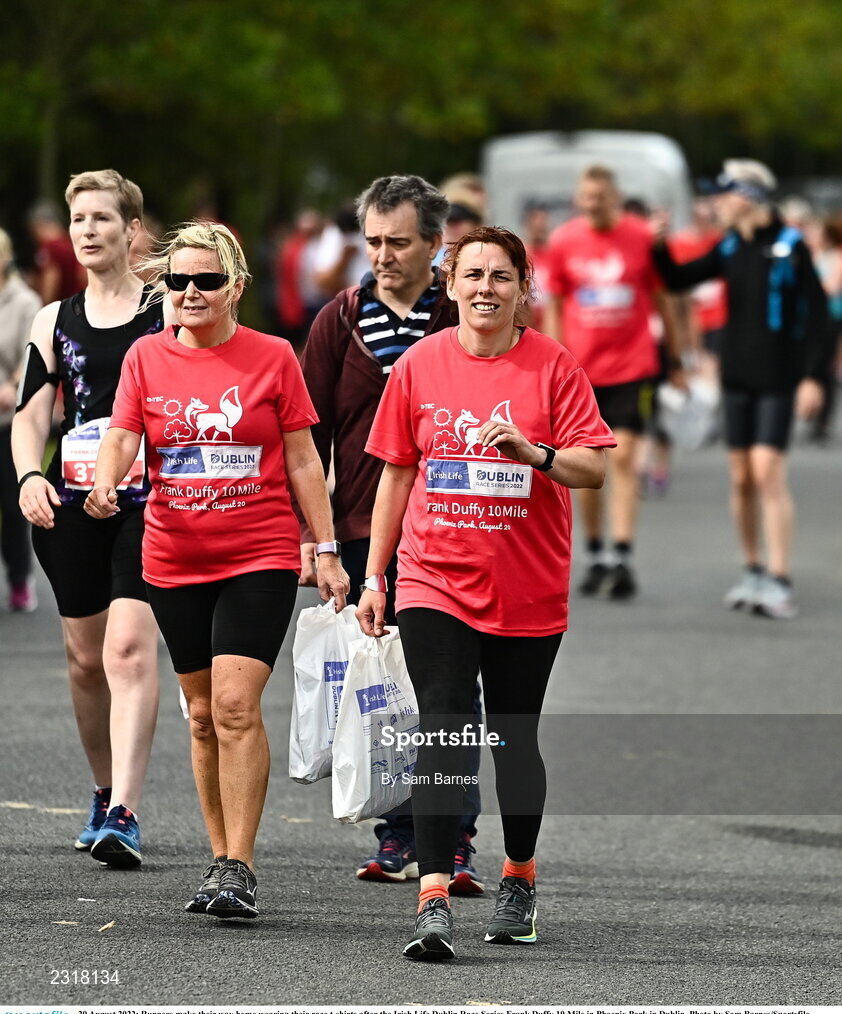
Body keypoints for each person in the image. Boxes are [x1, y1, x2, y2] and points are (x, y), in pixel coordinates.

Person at [356, 226, 615, 961]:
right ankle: (433, 894)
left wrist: (532, 453)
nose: (486, 288)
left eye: (502, 276)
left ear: (522, 289)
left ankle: (520, 876)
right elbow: (396, 476)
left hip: (526, 586)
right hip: (434, 577)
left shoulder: (554, 369)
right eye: (472, 274)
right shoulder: (419, 365)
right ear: (451, 285)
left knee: (512, 737)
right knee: (441, 724)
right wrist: (378, 576)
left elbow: (594, 469)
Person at [84, 221, 349, 920]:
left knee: (235, 706)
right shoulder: (145, 358)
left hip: (258, 554)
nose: (191, 292)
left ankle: (241, 865)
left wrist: (324, 549)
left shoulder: (272, 356)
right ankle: (218, 855)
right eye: (179, 282)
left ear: (236, 286)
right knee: (201, 715)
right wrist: (108, 481)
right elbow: (121, 432)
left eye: (206, 280)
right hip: (173, 556)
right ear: (165, 289)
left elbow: (300, 459)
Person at [299, 174, 484, 894]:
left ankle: (454, 838)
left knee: (449, 691)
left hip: (453, 536)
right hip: (356, 528)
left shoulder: (465, 317)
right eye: (372, 241)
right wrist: (310, 538)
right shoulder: (336, 322)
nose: (382, 255)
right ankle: (399, 832)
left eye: (399, 242)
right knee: (382, 687)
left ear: (438, 245)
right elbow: (303, 439)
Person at [13, 170, 166, 867]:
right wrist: (29, 475)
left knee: (128, 649)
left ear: (131, 231)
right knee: (84, 659)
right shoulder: (53, 321)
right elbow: (31, 415)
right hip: (72, 504)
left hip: (149, 501)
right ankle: (103, 793)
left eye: (103, 219)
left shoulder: (166, 312)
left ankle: (127, 813)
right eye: (79, 221)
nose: (89, 231)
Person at [652, 159, 834, 618]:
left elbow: (818, 316)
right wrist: (657, 244)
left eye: (723, 194)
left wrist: (813, 375)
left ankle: (780, 578)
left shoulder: (791, 246)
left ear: (748, 196)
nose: (715, 204)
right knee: (740, 476)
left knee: (767, 469)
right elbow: (678, 277)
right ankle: (751, 569)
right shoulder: (731, 246)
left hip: (779, 375)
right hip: (736, 374)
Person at [545, 165, 685, 599]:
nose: (594, 204)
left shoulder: (640, 236)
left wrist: (677, 358)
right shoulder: (564, 240)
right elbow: (554, 303)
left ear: (616, 197)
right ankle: (595, 551)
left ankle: (622, 553)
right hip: (580, 372)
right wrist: (553, 358)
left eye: (602, 196)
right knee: (585, 466)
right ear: (578, 199)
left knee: (622, 459)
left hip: (632, 367)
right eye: (587, 197)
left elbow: (664, 299)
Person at [0, 227, 41, 610]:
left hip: (7, 419)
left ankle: (18, 579)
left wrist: (11, 387)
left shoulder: (24, 301)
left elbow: (33, 354)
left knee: (12, 509)